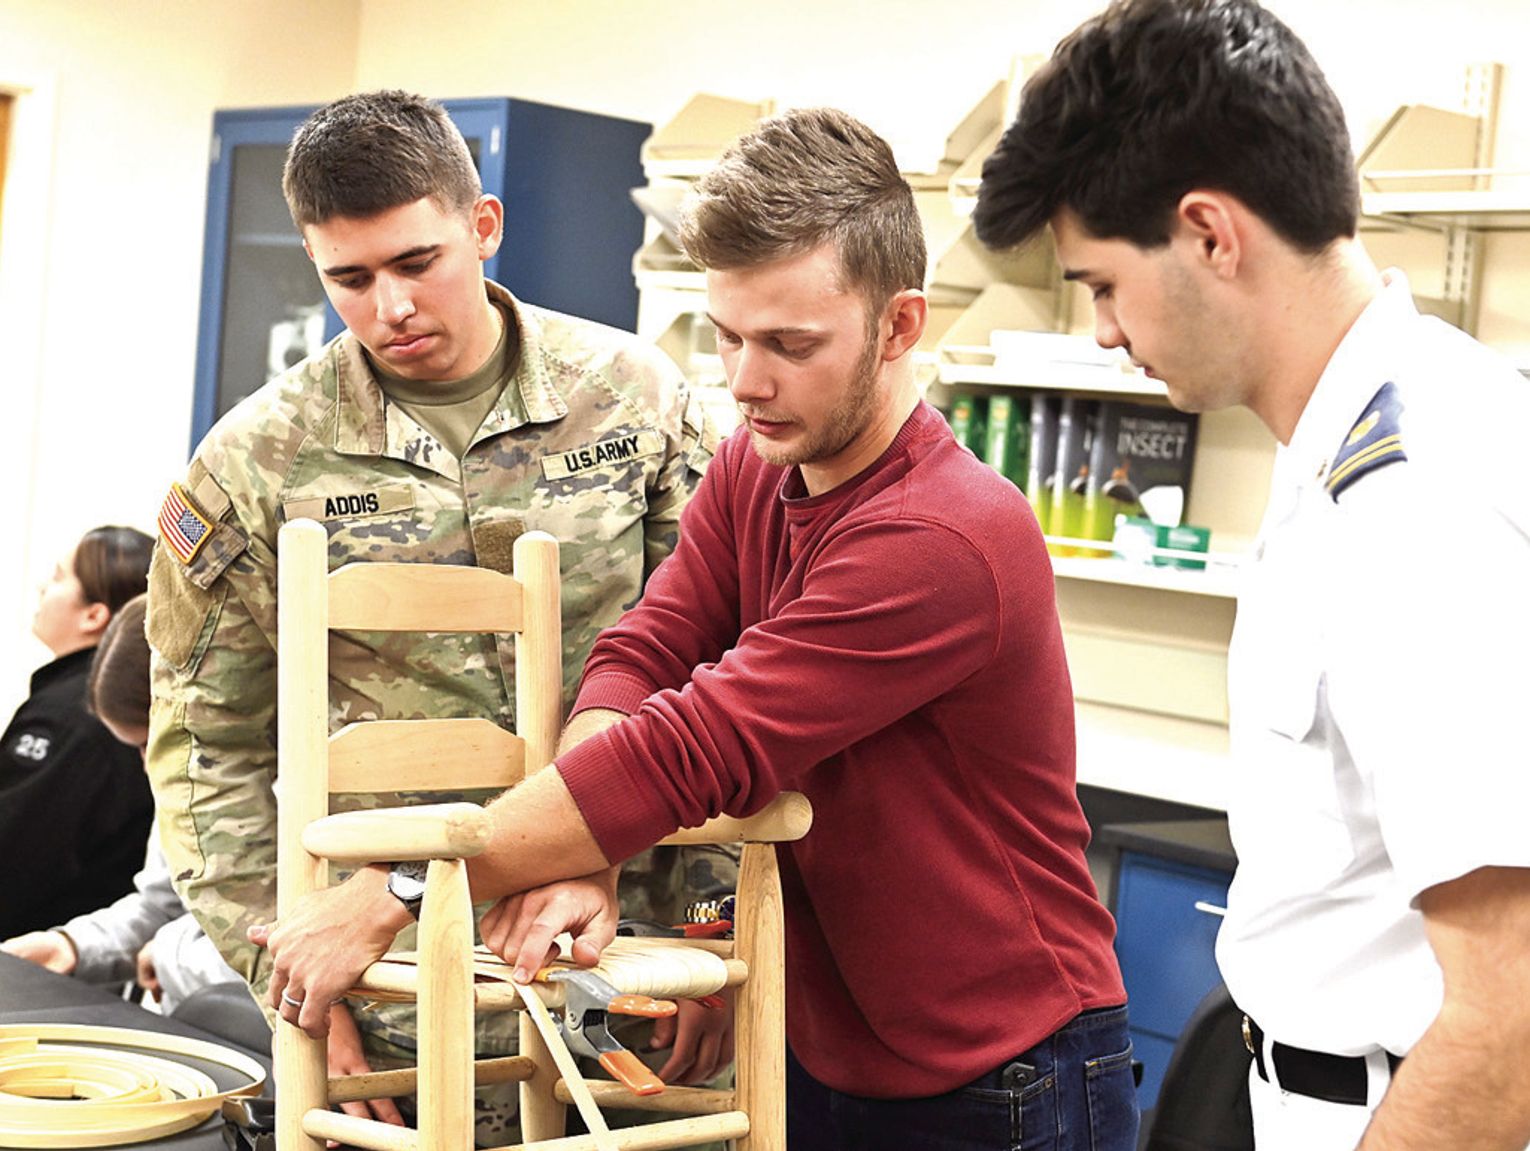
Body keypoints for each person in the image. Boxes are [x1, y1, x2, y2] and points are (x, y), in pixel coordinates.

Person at [254, 106, 1137, 1151]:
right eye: (727, 336)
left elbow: (697, 745)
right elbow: (643, 654)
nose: (746, 381)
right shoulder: (756, 468)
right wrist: (589, 854)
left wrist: (400, 886)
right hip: (830, 1047)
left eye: (791, 344)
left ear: (902, 326)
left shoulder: (943, 535)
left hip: (1001, 1073)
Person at [970, 1, 1530, 1148]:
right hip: (1286, 1078)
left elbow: (1509, 1004)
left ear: (1212, 234)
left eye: (1103, 283)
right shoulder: (1340, 436)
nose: (1103, 333)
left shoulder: (1413, 501)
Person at [145, 90, 720, 1142]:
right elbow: (202, 745)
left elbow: (721, 674)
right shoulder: (256, 460)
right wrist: (285, 967)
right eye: (349, 280)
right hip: (388, 974)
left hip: (618, 949)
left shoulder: (636, 399)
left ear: (484, 225)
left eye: (417, 263)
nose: (388, 308)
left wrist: (712, 933)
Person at [1, 595, 242, 1014]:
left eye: (153, 743)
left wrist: (169, 952)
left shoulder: (310, 792)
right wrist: (70, 946)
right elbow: (159, 906)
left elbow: (285, 952)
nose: (149, 766)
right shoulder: (178, 788)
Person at [1, 525, 154, 940]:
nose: (41, 589)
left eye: (57, 578)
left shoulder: (76, 716)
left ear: (94, 614)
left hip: (39, 957)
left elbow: (16, 854)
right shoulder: (115, 704)